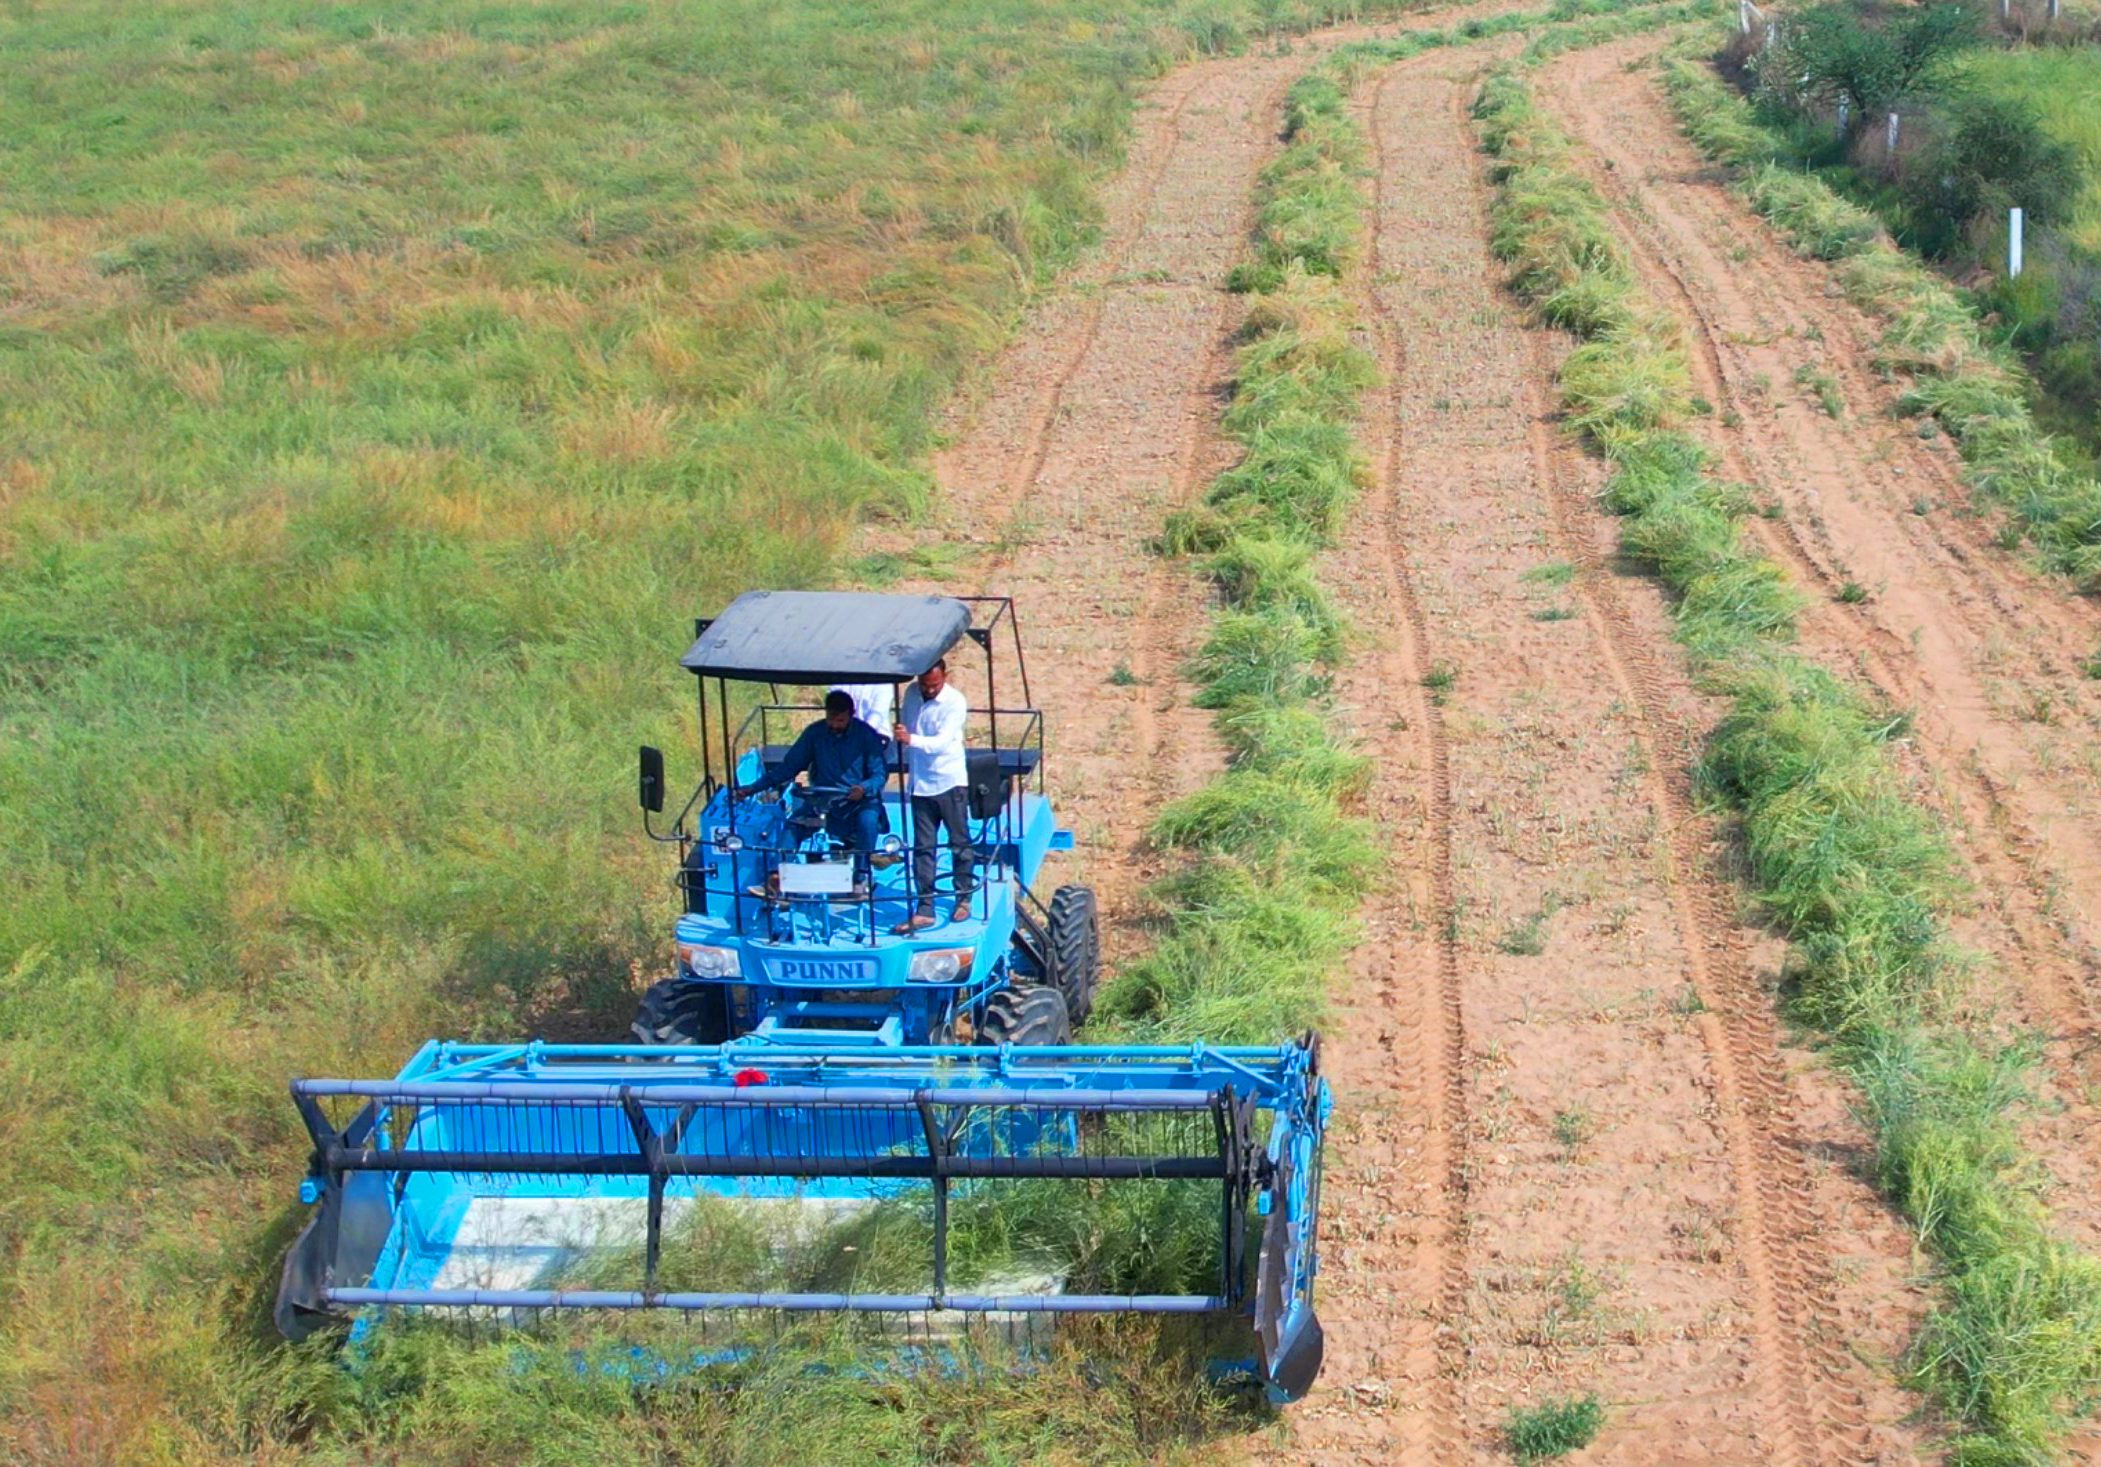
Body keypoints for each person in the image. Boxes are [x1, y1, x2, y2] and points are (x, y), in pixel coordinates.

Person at [749, 690, 890, 894]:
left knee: (868, 821)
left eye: (840, 720)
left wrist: (864, 788)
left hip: (858, 802)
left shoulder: (867, 736)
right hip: (823, 801)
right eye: (831, 719)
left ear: (851, 714)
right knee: (794, 824)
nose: (835, 725)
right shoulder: (815, 734)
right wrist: (753, 788)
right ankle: (776, 877)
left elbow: (879, 774)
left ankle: (860, 876)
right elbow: (789, 766)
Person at [891, 658, 974, 931]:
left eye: (934, 685)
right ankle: (925, 906)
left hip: (949, 782)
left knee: (959, 842)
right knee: (923, 847)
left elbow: (941, 741)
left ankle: (963, 897)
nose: (929, 690)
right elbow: (907, 722)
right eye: (925, 685)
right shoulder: (912, 694)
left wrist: (910, 739)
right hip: (920, 784)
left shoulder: (954, 702)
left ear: (945, 677)